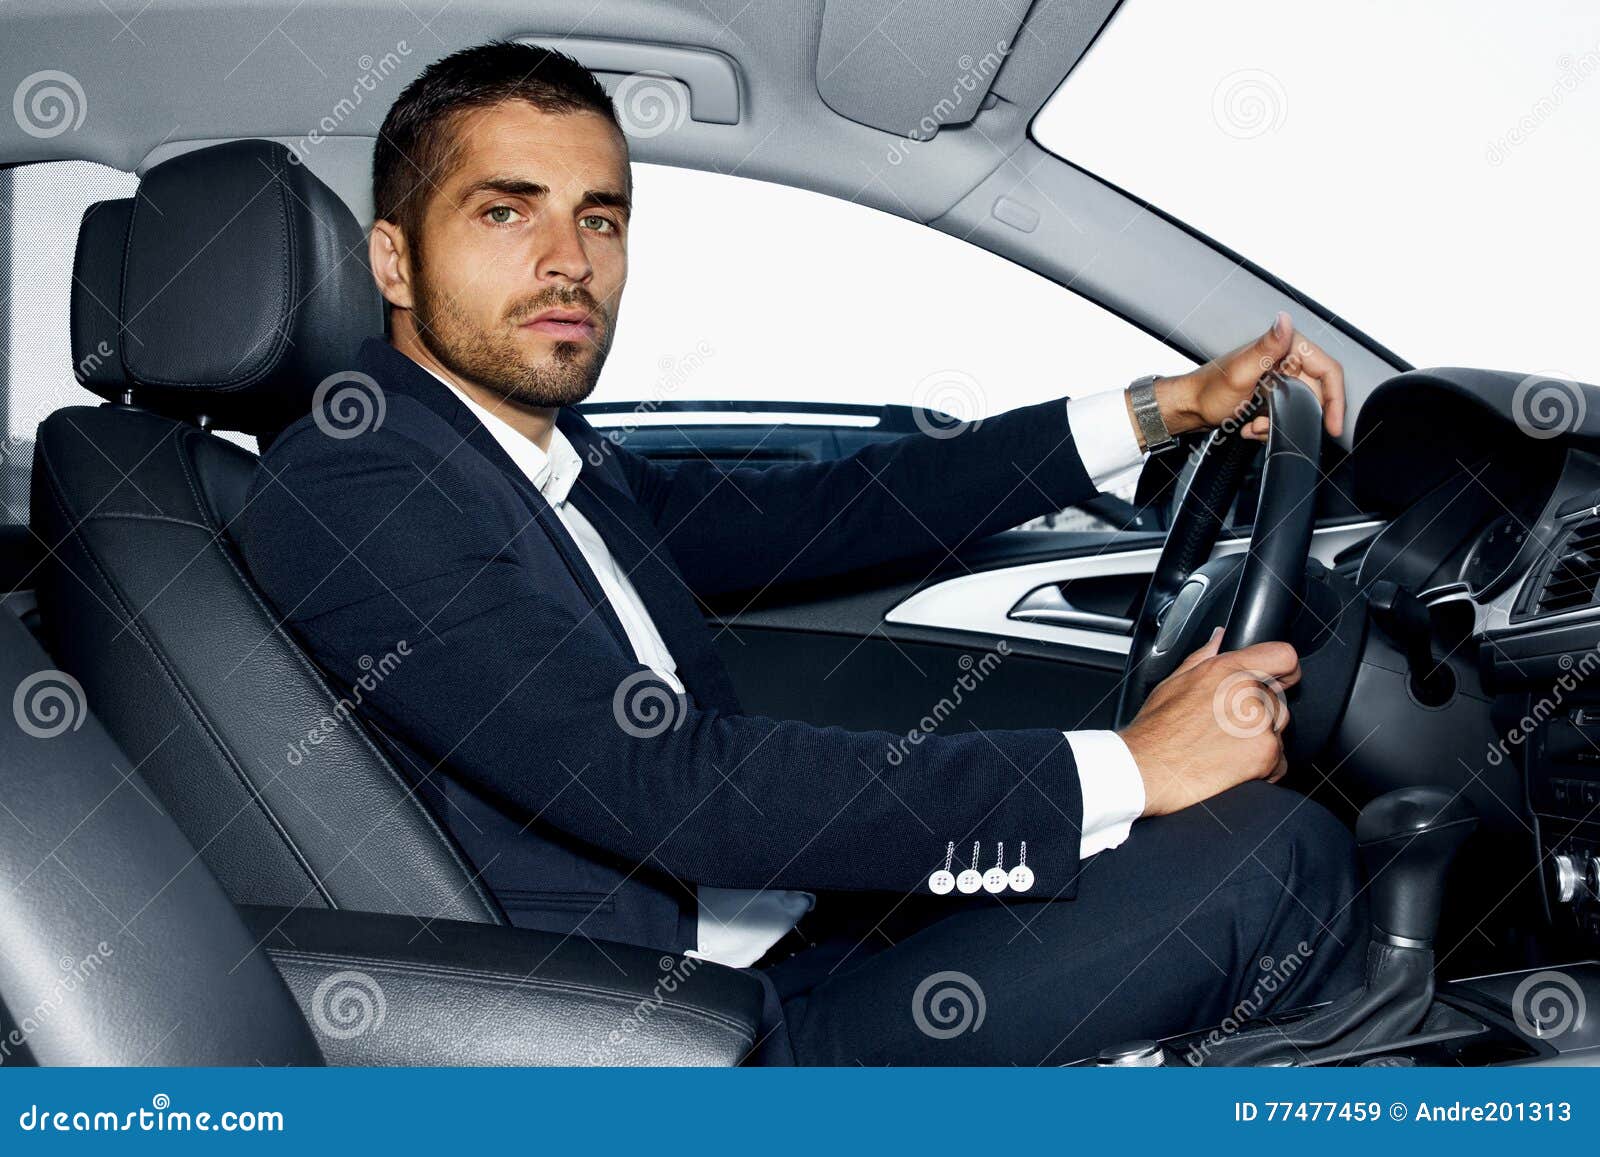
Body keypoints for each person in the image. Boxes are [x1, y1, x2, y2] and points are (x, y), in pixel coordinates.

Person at [238, 41, 1365, 1065]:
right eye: (503, 212)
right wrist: (1132, 764)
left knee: (1243, 842)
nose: (567, 260)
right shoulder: (358, 479)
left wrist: (1161, 407)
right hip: (688, 1038)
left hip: (788, 938)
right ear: (392, 261)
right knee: (1275, 863)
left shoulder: (535, 454)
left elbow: (837, 508)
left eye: (600, 217)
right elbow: (665, 783)